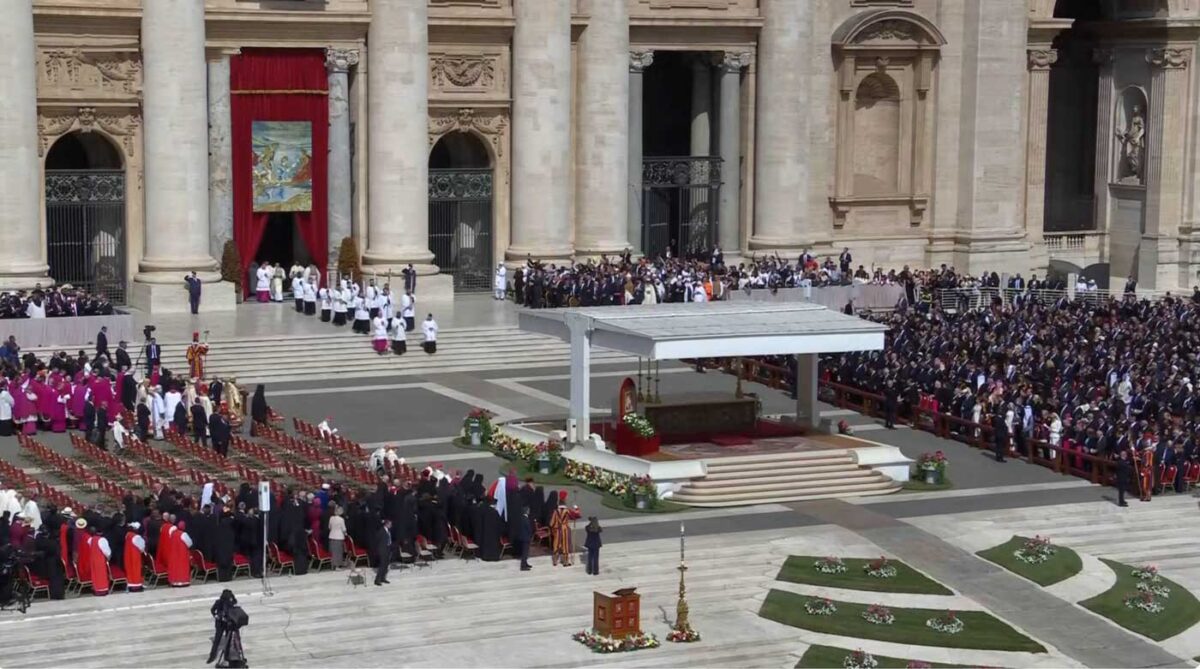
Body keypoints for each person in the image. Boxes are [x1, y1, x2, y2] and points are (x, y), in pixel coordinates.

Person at [207, 589, 247, 667]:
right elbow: (212, 610)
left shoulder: (231, 602)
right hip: (220, 624)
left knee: (228, 641)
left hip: (228, 623)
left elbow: (235, 604)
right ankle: (212, 656)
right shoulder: (218, 602)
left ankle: (226, 657)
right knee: (217, 640)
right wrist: (216, 616)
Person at [549, 494, 573, 566]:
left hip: (558, 530)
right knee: (565, 545)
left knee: (556, 544)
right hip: (565, 529)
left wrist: (553, 529)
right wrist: (576, 509)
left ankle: (555, 561)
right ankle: (565, 561)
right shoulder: (567, 511)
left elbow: (552, 522)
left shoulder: (556, 511)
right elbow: (574, 516)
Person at [124, 521, 146, 592]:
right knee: (136, 570)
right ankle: (136, 585)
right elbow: (142, 547)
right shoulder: (136, 537)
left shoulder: (127, 535)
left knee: (130, 570)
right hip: (135, 556)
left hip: (128, 555)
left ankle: (131, 584)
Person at [374, 518, 393, 585]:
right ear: (386, 524)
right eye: (390, 524)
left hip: (387, 549)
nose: (391, 525)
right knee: (382, 565)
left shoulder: (388, 531)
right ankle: (377, 580)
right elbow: (377, 541)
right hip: (382, 550)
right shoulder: (381, 531)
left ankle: (383, 578)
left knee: (386, 565)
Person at [517, 506, 533, 571]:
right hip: (525, 538)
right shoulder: (525, 519)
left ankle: (525, 563)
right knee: (525, 552)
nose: (529, 511)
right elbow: (528, 529)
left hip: (523, 537)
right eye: (528, 510)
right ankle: (523, 566)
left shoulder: (522, 518)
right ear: (526, 511)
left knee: (525, 552)